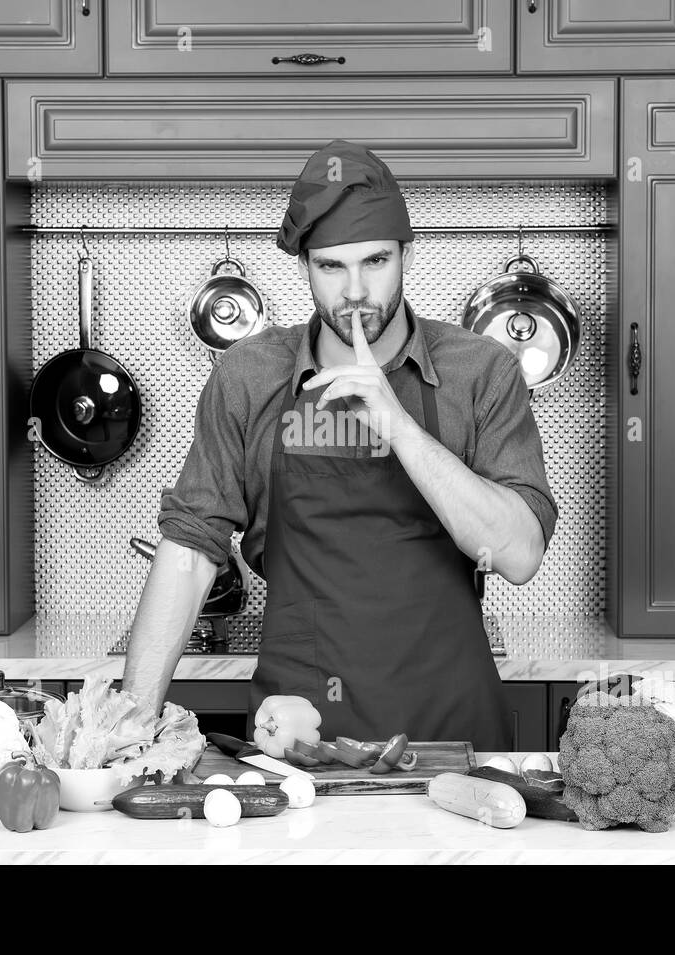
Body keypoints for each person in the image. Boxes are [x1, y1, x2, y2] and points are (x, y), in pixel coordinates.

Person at [123, 140, 557, 751]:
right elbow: (191, 550)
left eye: (375, 261)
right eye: (331, 267)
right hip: (297, 731)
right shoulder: (250, 377)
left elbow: (517, 554)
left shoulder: (480, 372)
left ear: (407, 253)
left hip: (452, 736)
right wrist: (127, 733)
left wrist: (399, 425)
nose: (356, 291)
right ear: (303, 267)